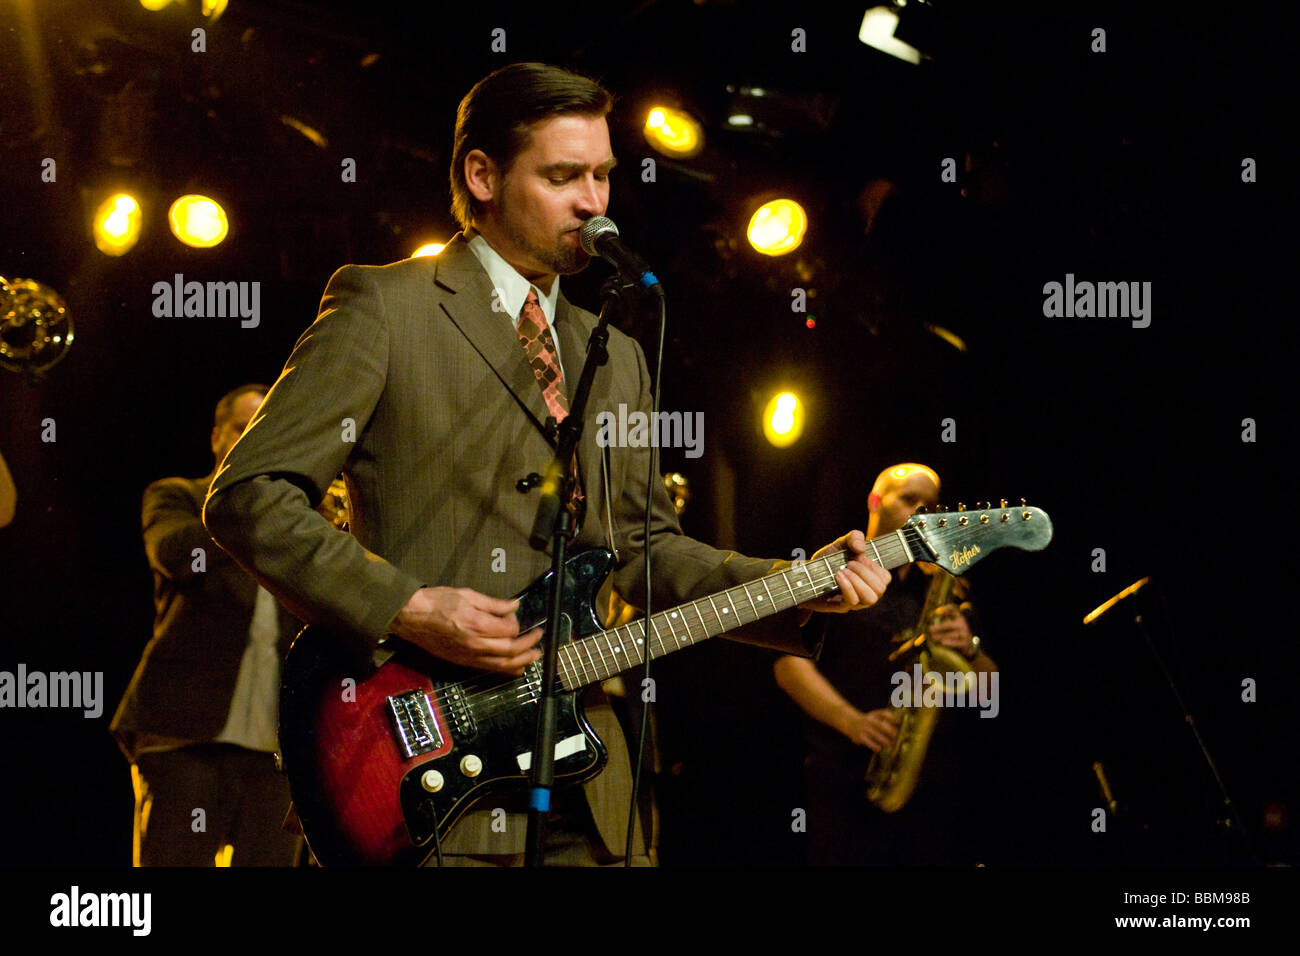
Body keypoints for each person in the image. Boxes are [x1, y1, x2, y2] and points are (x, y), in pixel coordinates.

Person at [203, 62, 890, 867]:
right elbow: (251, 494)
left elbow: (644, 551)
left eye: (602, 174)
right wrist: (407, 605)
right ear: (482, 174)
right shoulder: (385, 306)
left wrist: (799, 583)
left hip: (592, 789)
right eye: (563, 175)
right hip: (425, 784)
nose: (593, 202)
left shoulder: (620, 354)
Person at [110, 384, 303, 866]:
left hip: (279, 748)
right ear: (217, 437)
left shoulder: (298, 519)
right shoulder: (177, 495)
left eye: (265, 427)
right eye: (243, 428)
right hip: (184, 736)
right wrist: (254, 504)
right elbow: (177, 556)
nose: (254, 437)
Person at [774, 463, 999, 865]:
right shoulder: (837, 575)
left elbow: (987, 687)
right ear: (875, 501)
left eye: (929, 504)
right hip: (845, 782)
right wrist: (852, 722)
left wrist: (970, 648)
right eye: (909, 499)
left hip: (930, 789)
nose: (921, 511)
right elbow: (788, 666)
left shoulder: (945, 588)